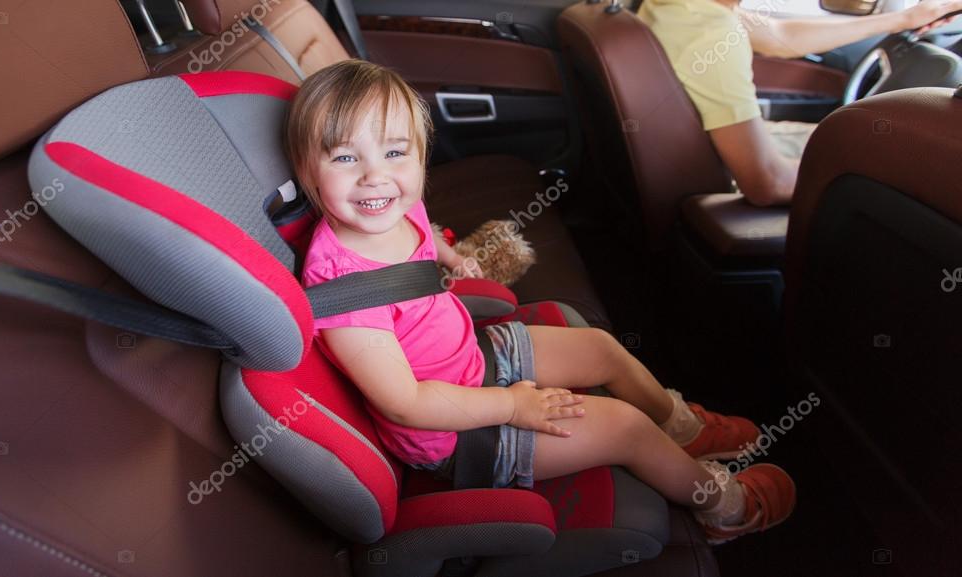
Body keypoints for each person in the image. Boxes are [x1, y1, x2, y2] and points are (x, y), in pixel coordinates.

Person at [286, 59, 795, 544]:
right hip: (454, 434)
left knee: (598, 346)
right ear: (309, 172)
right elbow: (407, 403)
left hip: (472, 360)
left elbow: (420, 226)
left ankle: (681, 429)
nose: (375, 176)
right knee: (625, 428)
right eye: (346, 157)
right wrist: (512, 404)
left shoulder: (396, 205)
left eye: (395, 152)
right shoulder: (345, 293)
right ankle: (722, 508)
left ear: (420, 156)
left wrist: (450, 257)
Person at [637, 0, 962, 206]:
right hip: (727, 185)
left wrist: (901, 20)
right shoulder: (708, 33)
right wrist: (887, 172)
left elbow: (782, 36)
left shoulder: (681, 9)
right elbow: (767, 183)